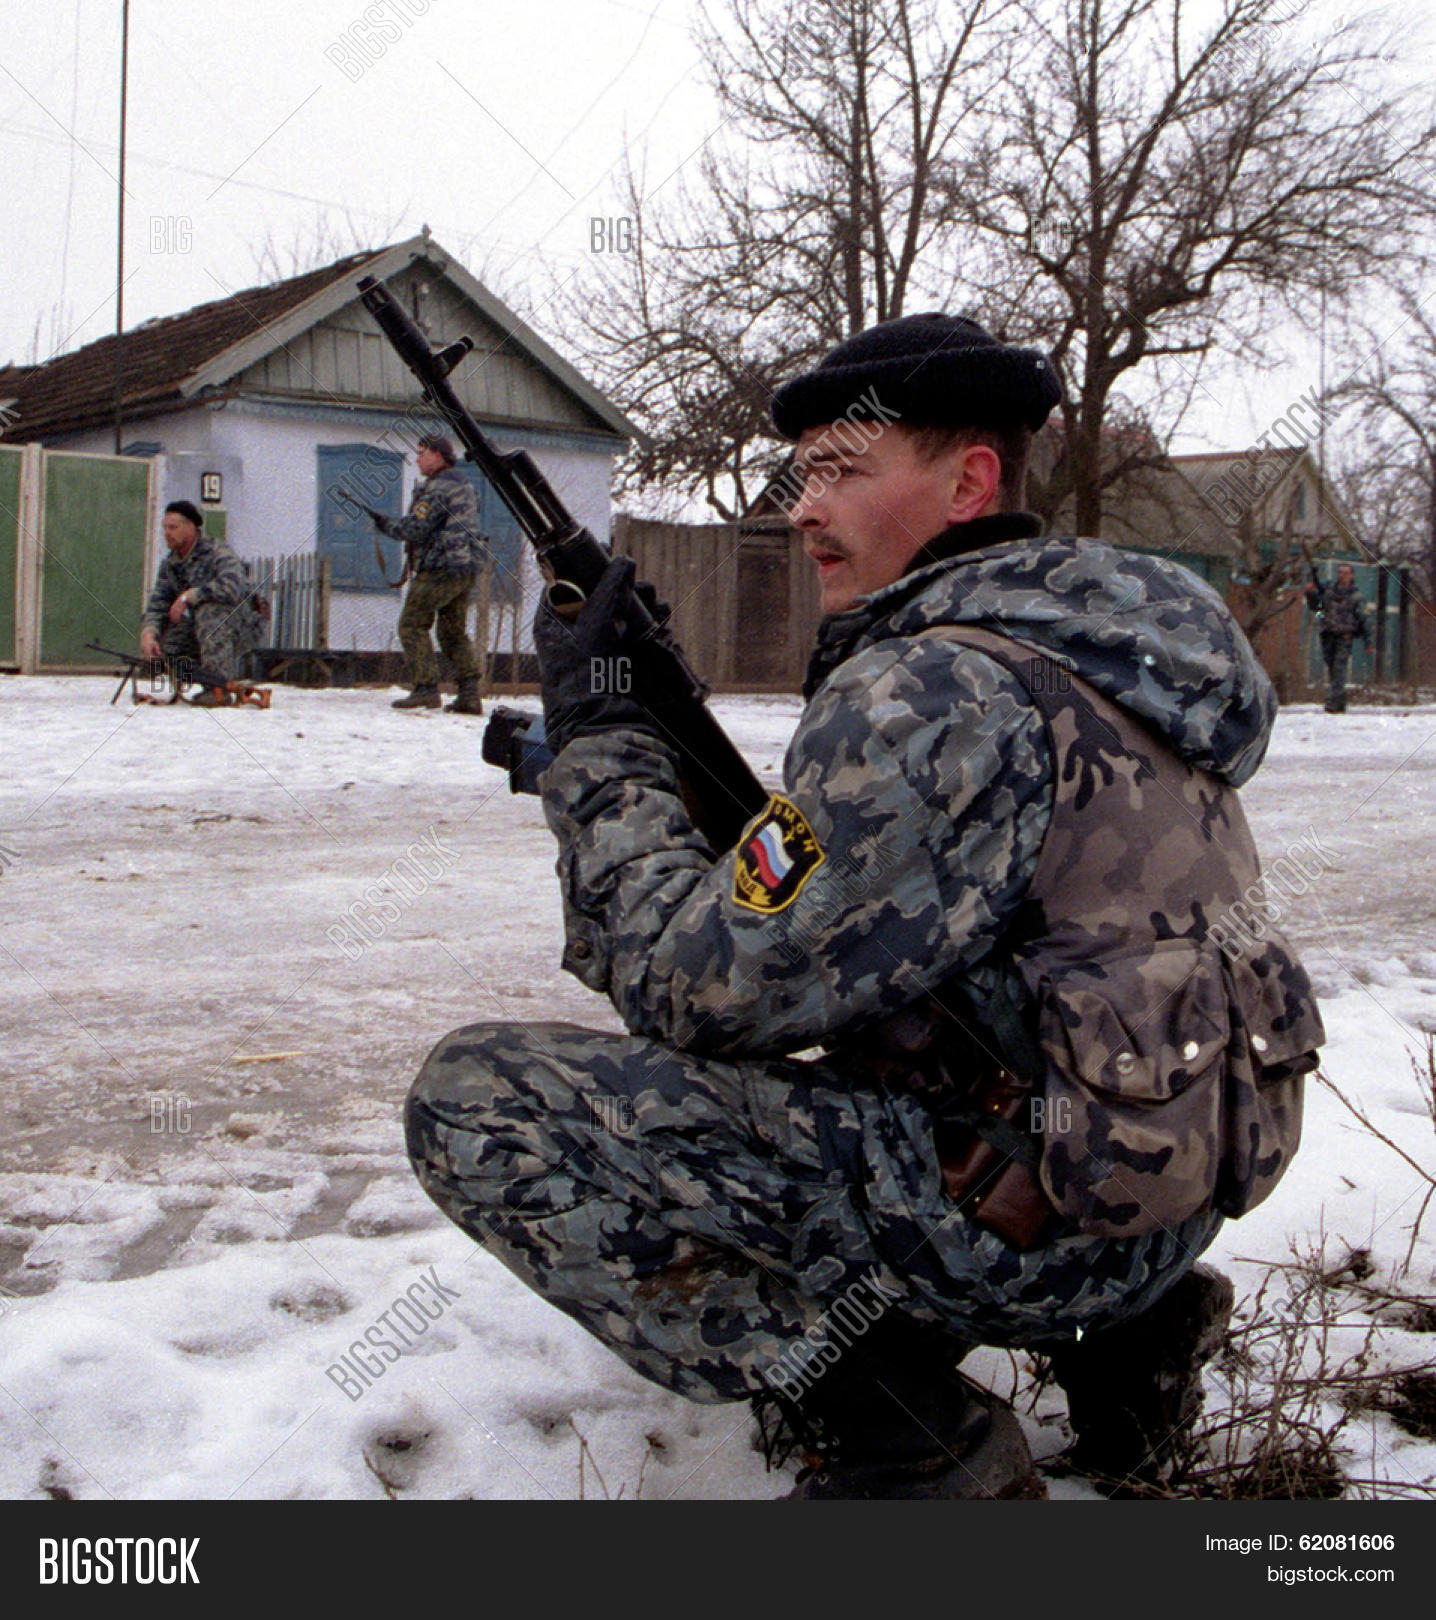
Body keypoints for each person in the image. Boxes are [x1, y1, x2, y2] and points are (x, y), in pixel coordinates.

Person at [403, 315, 1324, 1499]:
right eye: (802, 476)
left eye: (840, 471)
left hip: (1023, 1225)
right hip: (1157, 1202)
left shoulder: (933, 688)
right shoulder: (1107, 652)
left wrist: (601, 741)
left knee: (478, 1102)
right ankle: (1131, 1339)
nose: (803, 508)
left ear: (967, 483)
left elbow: (687, 991)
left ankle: (910, 1440)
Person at [373, 434, 485, 713]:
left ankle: (426, 688)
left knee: (412, 624)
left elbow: (416, 528)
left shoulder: (437, 488)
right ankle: (470, 694)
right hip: (465, 567)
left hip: (439, 567)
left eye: (421, 453)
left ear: (437, 454)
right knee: (452, 632)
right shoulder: (464, 484)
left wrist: (386, 525)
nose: (417, 459)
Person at [139, 501, 252, 706]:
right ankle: (189, 677)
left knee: (208, 610)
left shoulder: (217, 551)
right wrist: (149, 633)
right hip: (198, 628)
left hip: (239, 625)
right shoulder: (170, 564)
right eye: (165, 527)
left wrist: (191, 595)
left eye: (173, 527)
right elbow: (158, 603)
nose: (167, 533)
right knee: (165, 639)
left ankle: (218, 689)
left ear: (191, 527)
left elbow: (234, 586)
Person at [1305, 562, 1369, 713]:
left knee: (1339, 668)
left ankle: (1332, 703)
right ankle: (1340, 701)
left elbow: (1364, 619)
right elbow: (1317, 608)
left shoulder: (1356, 596)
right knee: (1332, 669)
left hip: (1344, 636)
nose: (1342, 575)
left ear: (1352, 575)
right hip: (1328, 635)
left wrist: (1368, 641)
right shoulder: (1328, 593)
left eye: (1346, 573)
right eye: (1340, 572)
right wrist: (1310, 594)